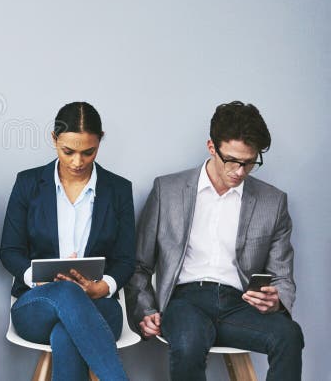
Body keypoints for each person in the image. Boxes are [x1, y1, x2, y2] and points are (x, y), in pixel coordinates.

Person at [125, 101, 304, 380]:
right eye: (232, 160)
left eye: (249, 162)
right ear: (212, 147)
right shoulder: (168, 190)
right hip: (185, 301)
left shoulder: (273, 202)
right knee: (188, 344)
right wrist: (145, 310)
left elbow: (282, 277)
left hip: (240, 304)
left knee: (289, 335)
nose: (240, 171)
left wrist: (277, 301)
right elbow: (139, 265)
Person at [0, 102, 134, 381]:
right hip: (36, 305)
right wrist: (37, 279)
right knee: (65, 292)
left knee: (66, 333)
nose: (77, 162)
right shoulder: (28, 183)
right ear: (54, 139)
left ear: (100, 141)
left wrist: (103, 287)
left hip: (99, 304)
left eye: (88, 152)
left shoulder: (119, 189)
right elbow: (10, 251)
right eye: (68, 151)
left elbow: (125, 260)